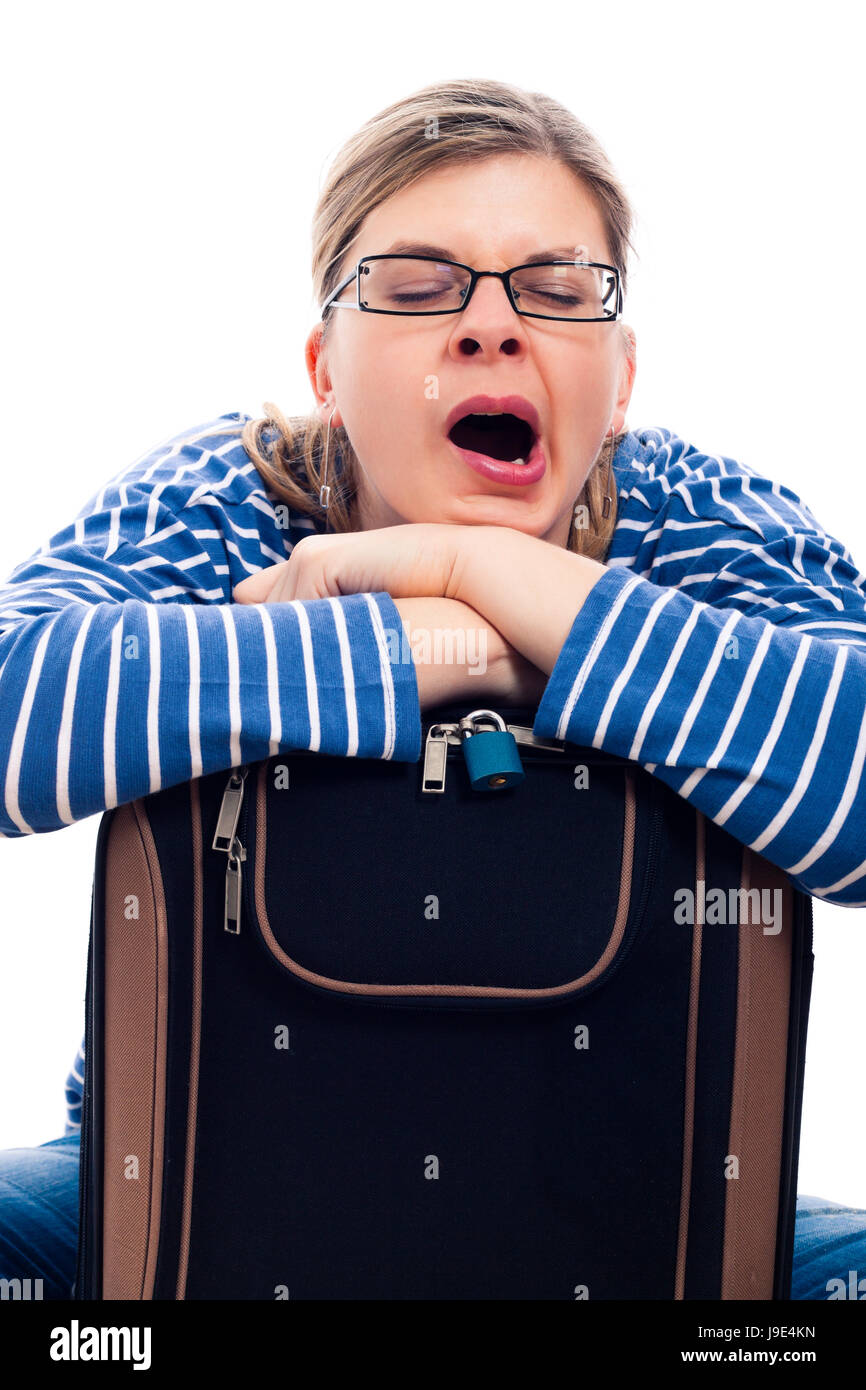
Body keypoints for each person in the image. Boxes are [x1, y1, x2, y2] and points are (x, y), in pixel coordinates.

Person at [1, 77, 865, 1302]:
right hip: (191, 1177)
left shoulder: (704, 516)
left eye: (556, 291)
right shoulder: (224, 498)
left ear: (617, 382)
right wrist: (469, 647)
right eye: (415, 286)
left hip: (648, 1188)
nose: (489, 324)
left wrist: (475, 565)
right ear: (327, 372)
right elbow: (13, 702)